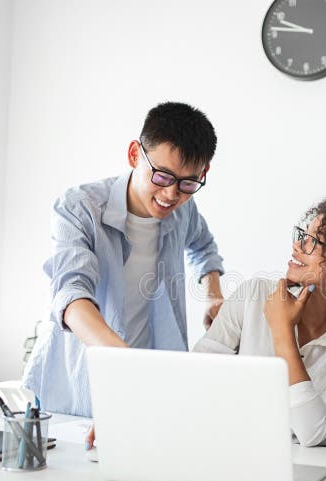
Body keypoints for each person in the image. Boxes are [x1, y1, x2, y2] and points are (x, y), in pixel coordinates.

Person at [23, 102, 225, 421]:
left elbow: (204, 246)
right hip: (78, 392)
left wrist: (213, 294)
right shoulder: (79, 208)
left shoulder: (184, 211)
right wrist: (126, 367)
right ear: (135, 155)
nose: (172, 194)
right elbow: (71, 296)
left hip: (150, 388)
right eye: (162, 176)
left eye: (188, 183)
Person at [193, 196, 326, 447]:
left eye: (314, 241)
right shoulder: (253, 294)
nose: (298, 246)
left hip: (314, 462)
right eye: (301, 234)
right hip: (235, 446)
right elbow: (196, 377)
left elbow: (312, 431)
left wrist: (282, 331)